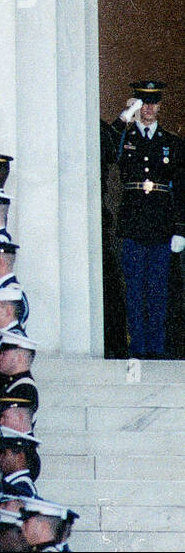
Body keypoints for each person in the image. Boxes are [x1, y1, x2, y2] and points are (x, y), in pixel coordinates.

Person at [101, 81, 185, 359]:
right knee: (134, 289)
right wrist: (125, 117)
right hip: (133, 223)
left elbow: (181, 186)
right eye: (142, 102)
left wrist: (180, 228)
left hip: (161, 225)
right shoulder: (126, 137)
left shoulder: (171, 142)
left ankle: (156, 349)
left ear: (160, 105)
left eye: (153, 102)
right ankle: (136, 347)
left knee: (158, 289)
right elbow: (104, 149)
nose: (148, 108)